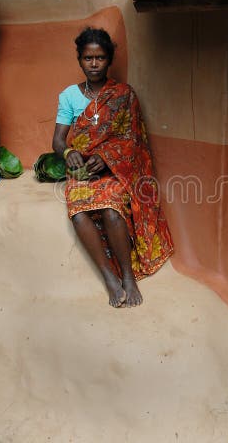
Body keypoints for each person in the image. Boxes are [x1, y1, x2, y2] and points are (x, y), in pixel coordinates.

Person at [52, 27, 173, 308]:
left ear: (109, 60)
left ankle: (128, 277)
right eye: (88, 58)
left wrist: (106, 157)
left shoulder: (123, 95)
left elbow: (133, 140)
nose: (94, 64)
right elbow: (58, 140)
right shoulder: (68, 96)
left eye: (100, 58)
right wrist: (69, 152)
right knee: (78, 213)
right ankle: (109, 277)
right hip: (82, 172)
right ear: (79, 60)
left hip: (115, 171)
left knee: (111, 210)